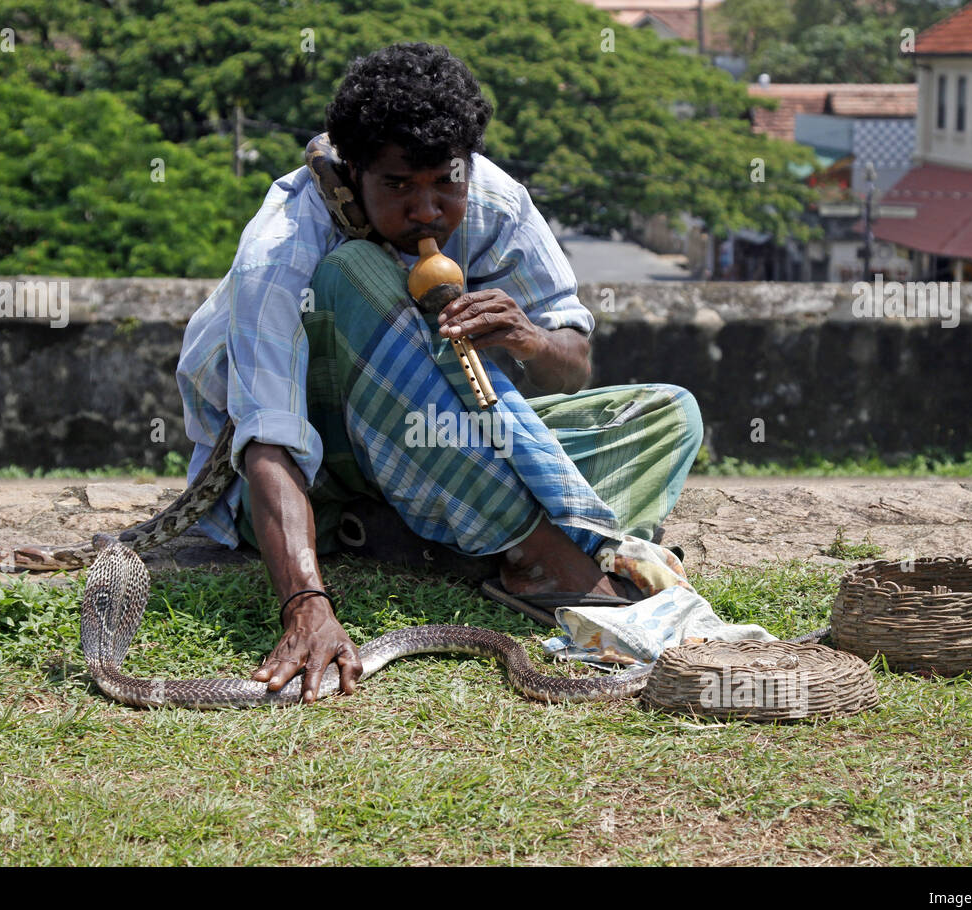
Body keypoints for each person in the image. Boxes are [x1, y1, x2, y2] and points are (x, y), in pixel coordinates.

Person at [176, 43, 702, 703]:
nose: (426, 212)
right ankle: (539, 558)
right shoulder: (283, 245)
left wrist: (531, 339)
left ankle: (436, 532)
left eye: (443, 183)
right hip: (316, 476)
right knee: (357, 275)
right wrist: (306, 604)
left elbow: (574, 366)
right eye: (397, 185)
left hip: (443, 443)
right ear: (353, 171)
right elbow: (269, 438)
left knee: (668, 415)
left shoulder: (493, 201)